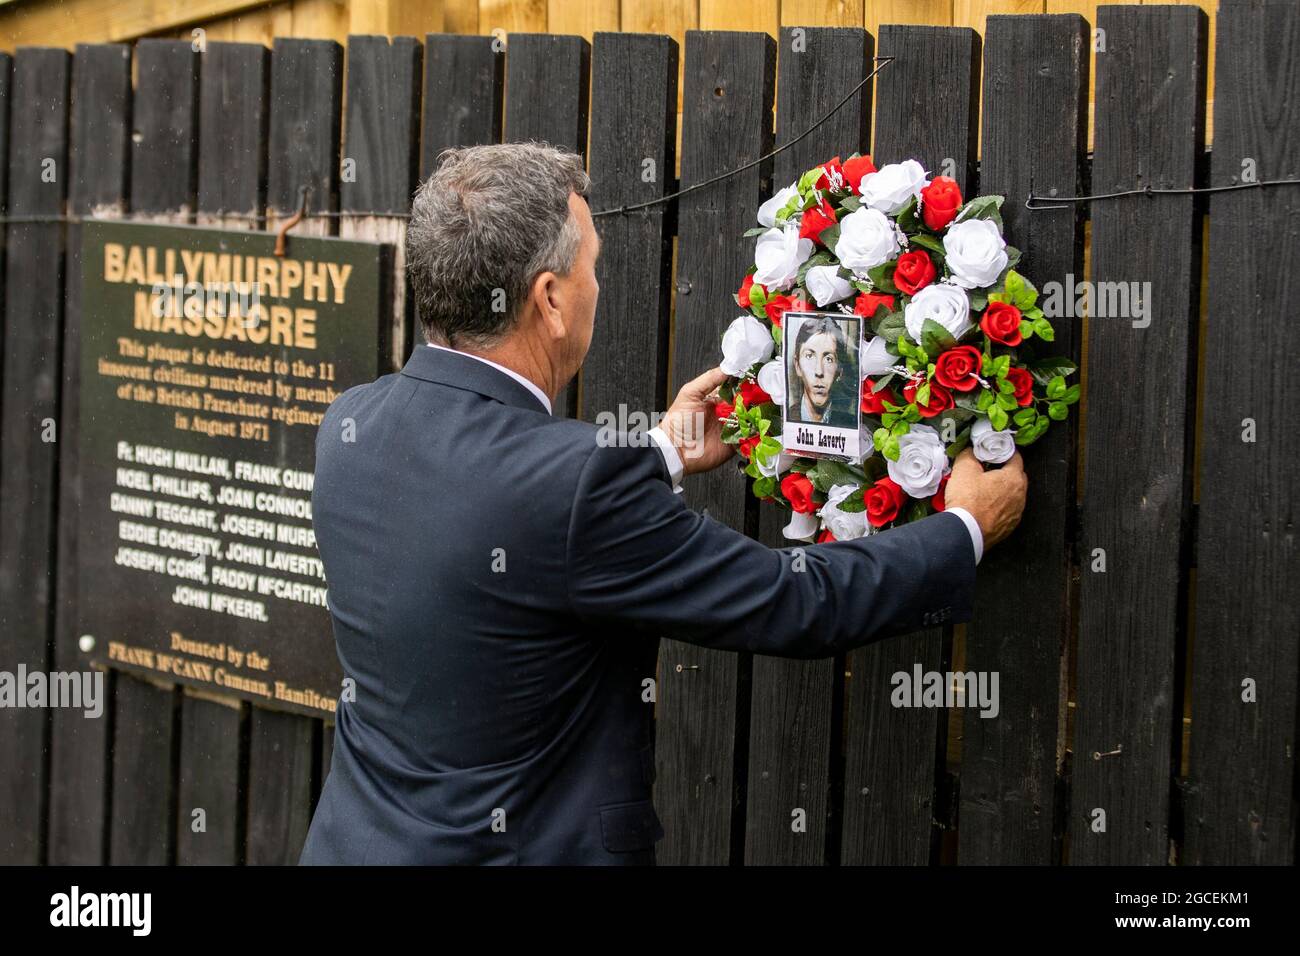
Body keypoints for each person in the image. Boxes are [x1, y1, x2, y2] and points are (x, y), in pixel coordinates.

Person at [299, 142, 1028, 866]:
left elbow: (510, 509)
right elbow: (793, 602)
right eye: (592, 268)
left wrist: (664, 451)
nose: (596, 286)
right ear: (549, 300)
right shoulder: (579, 485)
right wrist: (964, 527)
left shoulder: (350, 428)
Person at [786, 314, 858, 429]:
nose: (819, 371)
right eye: (809, 356)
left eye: (828, 359)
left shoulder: (851, 425)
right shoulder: (784, 420)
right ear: (797, 366)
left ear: (840, 370)